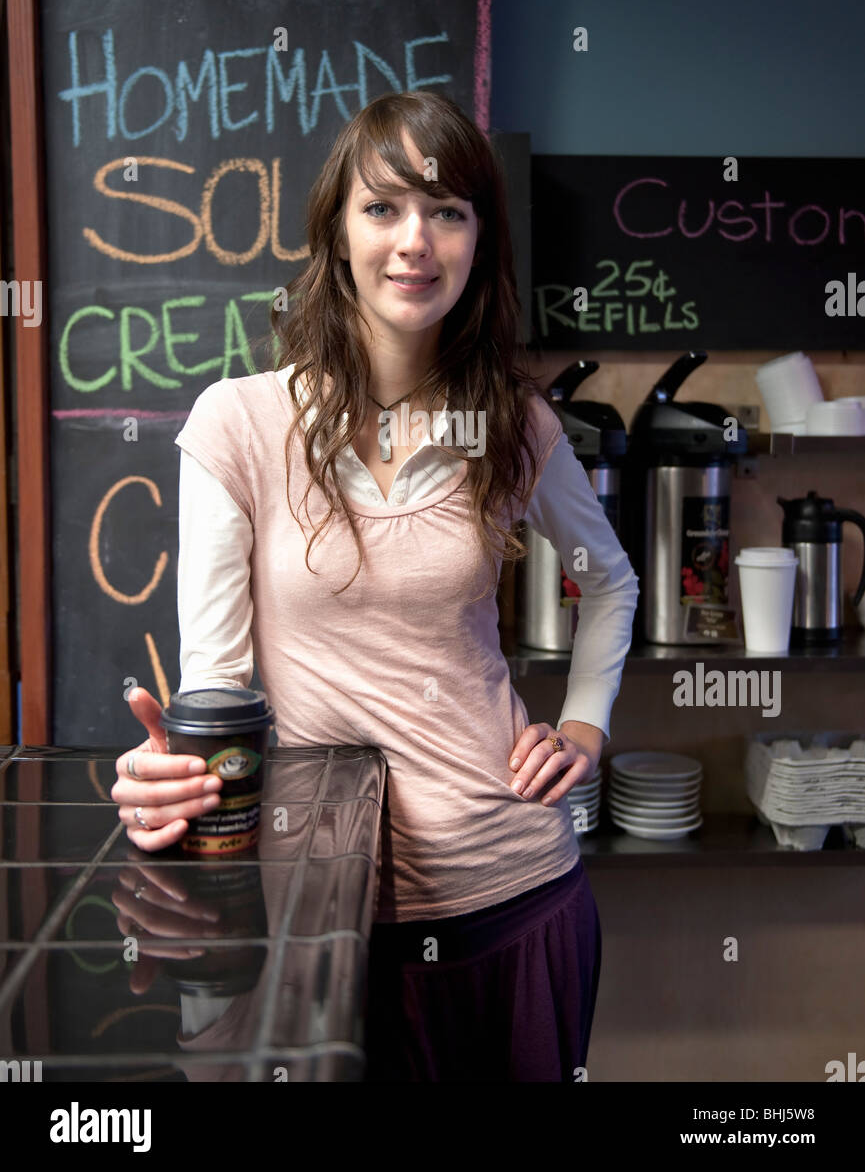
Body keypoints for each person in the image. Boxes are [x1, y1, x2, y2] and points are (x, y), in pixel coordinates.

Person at [111, 89, 639, 1082]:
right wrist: (170, 784)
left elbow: (609, 583)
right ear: (337, 232)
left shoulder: (516, 427)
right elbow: (216, 697)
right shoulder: (239, 424)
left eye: (448, 210)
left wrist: (583, 725)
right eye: (382, 207)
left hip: (516, 892)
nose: (415, 241)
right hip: (321, 913)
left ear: (479, 239)